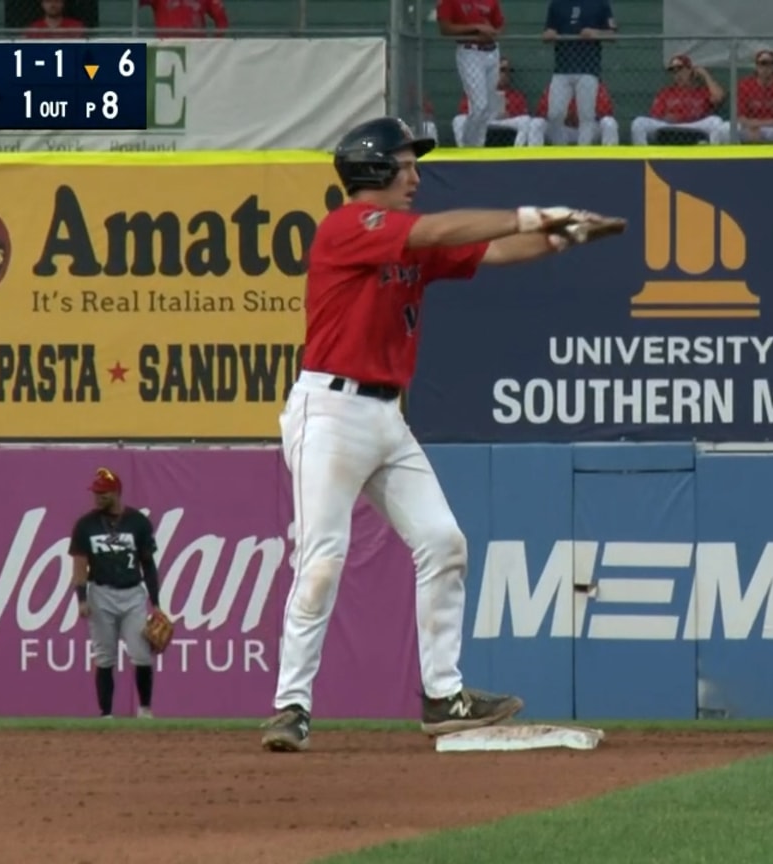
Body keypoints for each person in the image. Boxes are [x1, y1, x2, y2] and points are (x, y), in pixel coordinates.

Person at [260, 116, 619, 752]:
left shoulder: (405, 239)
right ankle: (290, 705)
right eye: (404, 164)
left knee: (444, 542)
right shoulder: (348, 226)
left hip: (383, 418)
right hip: (329, 410)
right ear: (372, 170)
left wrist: (564, 238)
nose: (415, 175)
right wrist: (532, 213)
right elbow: (442, 229)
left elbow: (491, 251)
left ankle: (443, 694)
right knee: (322, 561)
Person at [69, 468, 163, 719]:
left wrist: (156, 603)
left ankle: (144, 710)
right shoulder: (85, 525)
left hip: (133, 594)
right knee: (104, 656)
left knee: (142, 654)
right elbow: (79, 565)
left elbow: (148, 564)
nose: (97, 497)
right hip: (101, 593)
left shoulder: (138, 522)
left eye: (103, 492)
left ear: (115, 492)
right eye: (96, 492)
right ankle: (106, 714)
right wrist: (81, 598)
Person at [540, 0, 616, 146]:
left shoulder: (600, 3)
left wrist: (595, 33)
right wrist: (549, 34)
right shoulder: (556, 4)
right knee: (554, 113)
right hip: (562, 68)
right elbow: (547, 32)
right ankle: (561, 151)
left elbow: (612, 34)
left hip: (588, 68)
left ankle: (583, 154)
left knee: (586, 115)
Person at [437, 0, 506, 148]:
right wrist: (475, 28)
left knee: (488, 107)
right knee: (479, 105)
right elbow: (445, 28)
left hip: (492, 51)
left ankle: (478, 146)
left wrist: (492, 33)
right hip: (470, 51)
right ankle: (468, 145)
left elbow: (499, 24)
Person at [630, 54, 729, 146]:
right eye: (674, 72)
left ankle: (712, 158)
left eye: (681, 70)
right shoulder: (666, 92)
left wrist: (705, 75)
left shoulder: (701, 91)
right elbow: (656, 116)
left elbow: (718, 97)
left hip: (694, 125)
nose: (677, 75)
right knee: (638, 123)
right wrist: (665, 118)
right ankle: (643, 159)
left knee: (716, 121)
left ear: (691, 71)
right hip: (669, 126)